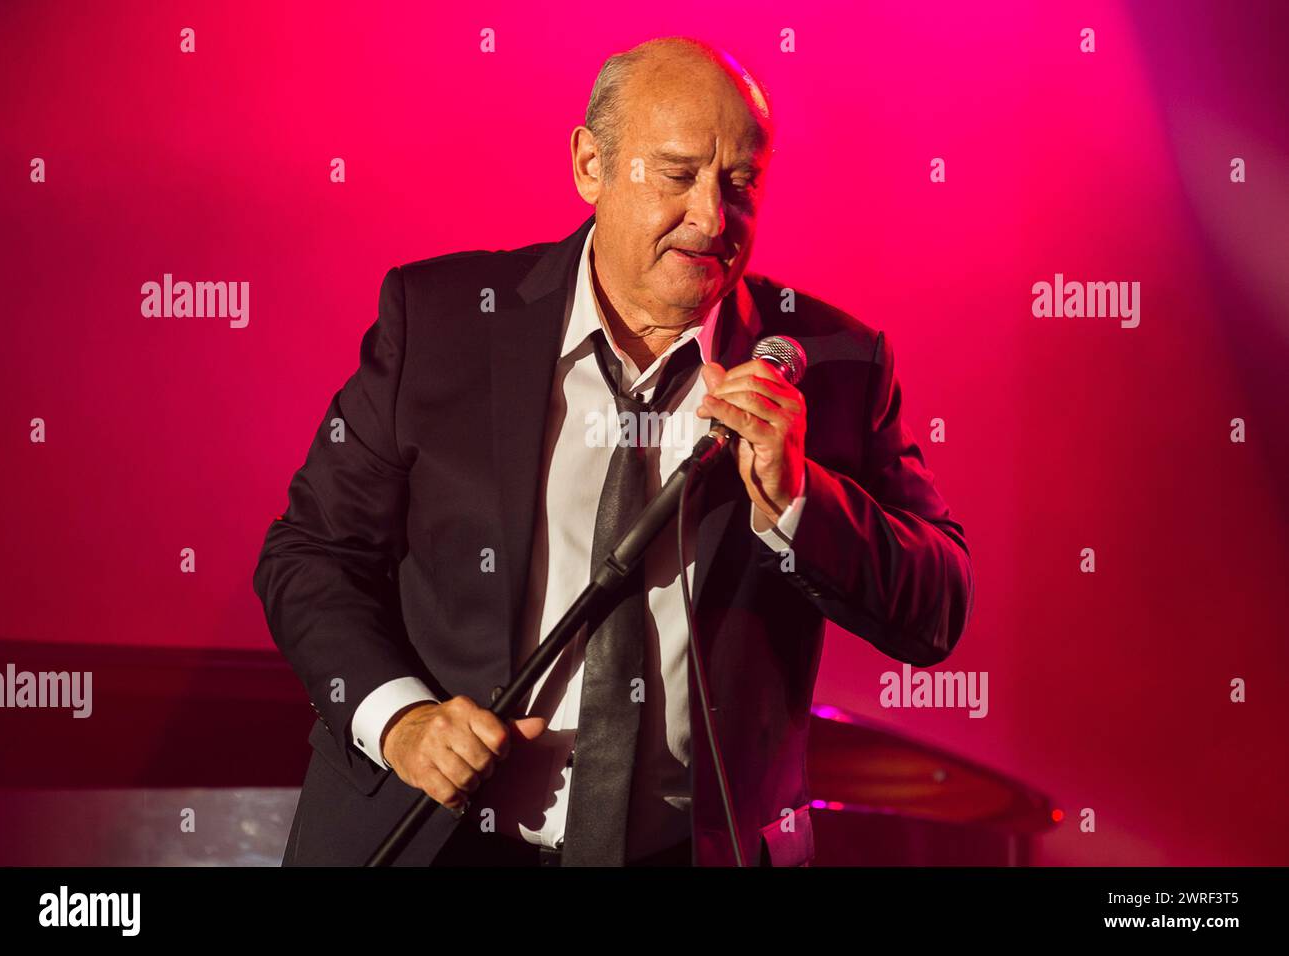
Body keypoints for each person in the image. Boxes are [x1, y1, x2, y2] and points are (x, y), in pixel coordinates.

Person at [253, 36, 974, 867]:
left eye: (741, 183)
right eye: (676, 175)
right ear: (591, 165)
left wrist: (799, 496)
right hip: (441, 842)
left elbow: (939, 607)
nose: (712, 218)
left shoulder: (834, 361)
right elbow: (309, 555)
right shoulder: (443, 323)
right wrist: (403, 721)